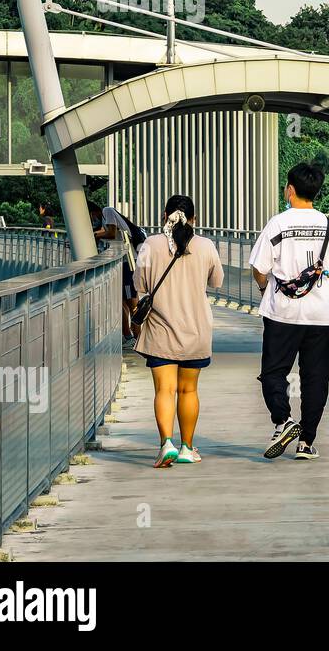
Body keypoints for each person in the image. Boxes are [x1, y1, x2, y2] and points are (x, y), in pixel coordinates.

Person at [250, 163, 329, 462]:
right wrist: (322, 299)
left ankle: (283, 421)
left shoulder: (278, 224)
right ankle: (306, 442)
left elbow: (259, 268)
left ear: (290, 190)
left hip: (282, 312)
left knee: (273, 371)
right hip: (319, 316)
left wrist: (264, 289)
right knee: (315, 378)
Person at [133, 195, 224, 468]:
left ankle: (166, 444)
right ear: (194, 219)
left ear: (164, 215)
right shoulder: (206, 246)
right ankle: (187, 447)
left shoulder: (150, 244)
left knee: (165, 389)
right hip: (195, 330)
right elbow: (217, 281)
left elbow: (139, 283)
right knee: (188, 391)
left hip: (161, 330)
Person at [89, 201, 147, 344]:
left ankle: (139, 337)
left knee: (132, 301)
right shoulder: (103, 218)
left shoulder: (107, 210)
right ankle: (128, 336)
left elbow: (111, 233)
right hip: (122, 262)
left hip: (129, 261)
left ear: (90, 211)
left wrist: (94, 236)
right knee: (121, 302)